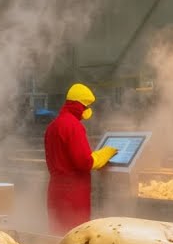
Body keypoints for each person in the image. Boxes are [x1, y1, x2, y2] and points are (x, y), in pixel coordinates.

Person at [43, 83, 118, 234]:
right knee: (75, 238)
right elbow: (85, 162)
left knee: (57, 236)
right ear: (79, 105)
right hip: (73, 195)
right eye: (87, 106)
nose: (87, 110)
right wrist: (106, 153)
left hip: (55, 192)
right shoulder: (73, 126)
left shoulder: (52, 126)